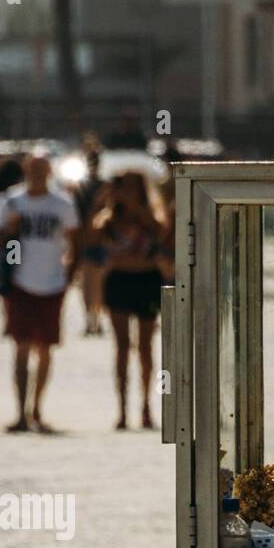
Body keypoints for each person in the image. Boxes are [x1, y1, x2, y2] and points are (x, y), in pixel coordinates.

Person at [0, 153, 80, 434]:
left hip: (52, 283)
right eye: (33, 168)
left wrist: (68, 277)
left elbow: (75, 242)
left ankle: (37, 408)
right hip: (19, 283)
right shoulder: (11, 201)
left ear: (49, 170)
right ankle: (21, 412)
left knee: (45, 348)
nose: (38, 173)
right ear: (26, 170)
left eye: (42, 168)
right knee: (21, 346)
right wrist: (9, 229)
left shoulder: (61, 204)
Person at [90, 171, 166, 429]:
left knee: (145, 347)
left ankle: (145, 405)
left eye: (134, 188)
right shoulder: (110, 219)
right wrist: (107, 199)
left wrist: (136, 207)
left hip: (146, 282)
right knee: (122, 347)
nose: (129, 192)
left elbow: (162, 230)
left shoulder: (150, 217)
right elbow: (92, 234)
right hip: (119, 283)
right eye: (125, 188)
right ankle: (122, 409)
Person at [75, 146, 107, 335]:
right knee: (91, 284)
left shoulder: (101, 186)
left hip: (96, 239)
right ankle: (92, 318)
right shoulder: (82, 186)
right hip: (88, 239)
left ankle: (94, 319)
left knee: (93, 284)